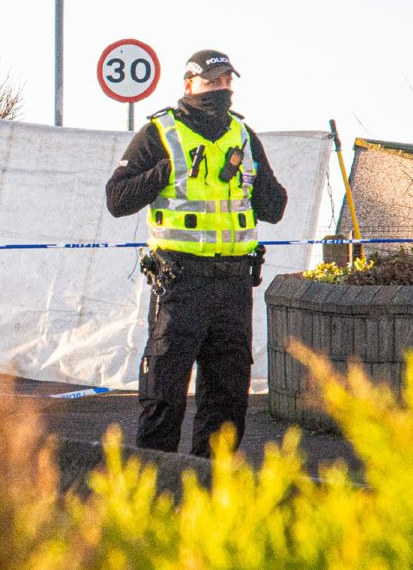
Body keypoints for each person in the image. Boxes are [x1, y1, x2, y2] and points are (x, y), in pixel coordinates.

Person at [105, 50, 287, 456]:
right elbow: (116, 199)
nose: (221, 89)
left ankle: (211, 485)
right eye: (212, 82)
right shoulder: (160, 132)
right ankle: (155, 483)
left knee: (228, 400)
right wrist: (164, 172)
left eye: (226, 81)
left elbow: (274, 208)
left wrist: (255, 181)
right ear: (189, 85)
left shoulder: (243, 136)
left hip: (234, 285)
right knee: (163, 394)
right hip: (180, 282)